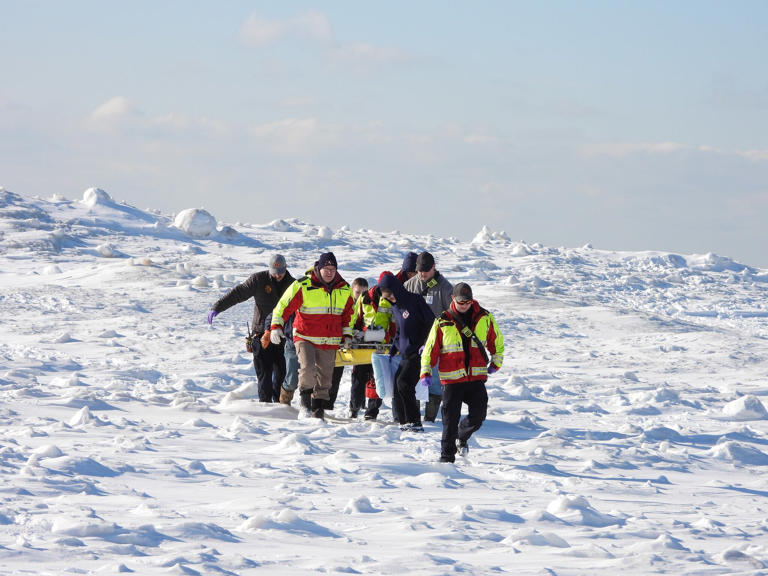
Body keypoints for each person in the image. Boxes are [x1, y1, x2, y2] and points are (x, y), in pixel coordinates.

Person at [420, 282, 504, 463]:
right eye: (461, 302)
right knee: (449, 420)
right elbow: (430, 348)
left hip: (476, 377)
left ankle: (462, 435)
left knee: (479, 414)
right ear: (453, 299)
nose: (464, 305)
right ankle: (446, 457)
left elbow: (496, 341)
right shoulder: (442, 321)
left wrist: (496, 361)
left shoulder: (485, 317)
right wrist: (426, 371)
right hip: (452, 380)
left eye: (467, 302)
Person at [270, 252, 354, 419]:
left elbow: (349, 315)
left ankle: (318, 408)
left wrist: (347, 335)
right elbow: (284, 305)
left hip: (330, 339)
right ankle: (305, 405)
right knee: (307, 369)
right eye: (326, 268)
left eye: (333, 268)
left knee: (325, 377)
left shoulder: (344, 288)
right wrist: (275, 325)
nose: (329, 272)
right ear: (319, 268)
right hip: (304, 336)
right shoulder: (304, 285)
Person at [207, 254, 294, 403]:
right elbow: (238, 293)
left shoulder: (293, 284)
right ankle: (265, 406)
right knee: (265, 375)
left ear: (286, 268)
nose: (278, 276)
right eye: (275, 273)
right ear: (269, 270)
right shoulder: (258, 280)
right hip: (261, 335)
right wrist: (217, 307)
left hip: (283, 336)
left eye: (281, 273)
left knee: (281, 376)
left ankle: (281, 411)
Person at [378, 273, 435, 432]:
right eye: (385, 296)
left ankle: (414, 421)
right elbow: (400, 330)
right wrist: (394, 347)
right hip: (404, 352)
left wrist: (425, 344)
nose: (389, 298)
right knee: (398, 384)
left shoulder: (414, 300)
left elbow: (431, 322)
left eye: (390, 294)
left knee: (404, 383)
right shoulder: (395, 306)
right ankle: (404, 421)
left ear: (396, 289)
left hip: (418, 351)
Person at [404, 251, 453, 422]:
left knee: (434, 380)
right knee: (413, 379)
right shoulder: (410, 285)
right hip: (414, 342)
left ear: (434, 267)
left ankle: (430, 417)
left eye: (426, 270)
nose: (422, 274)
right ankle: (414, 414)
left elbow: (452, 316)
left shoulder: (446, 289)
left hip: (436, 344)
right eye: (419, 271)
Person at [327, 277, 370, 416]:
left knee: (360, 375)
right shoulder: (345, 302)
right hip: (341, 342)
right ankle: (328, 406)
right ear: (352, 290)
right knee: (335, 375)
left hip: (359, 343)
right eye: (358, 292)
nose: (360, 296)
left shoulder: (367, 304)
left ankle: (356, 406)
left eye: (364, 293)